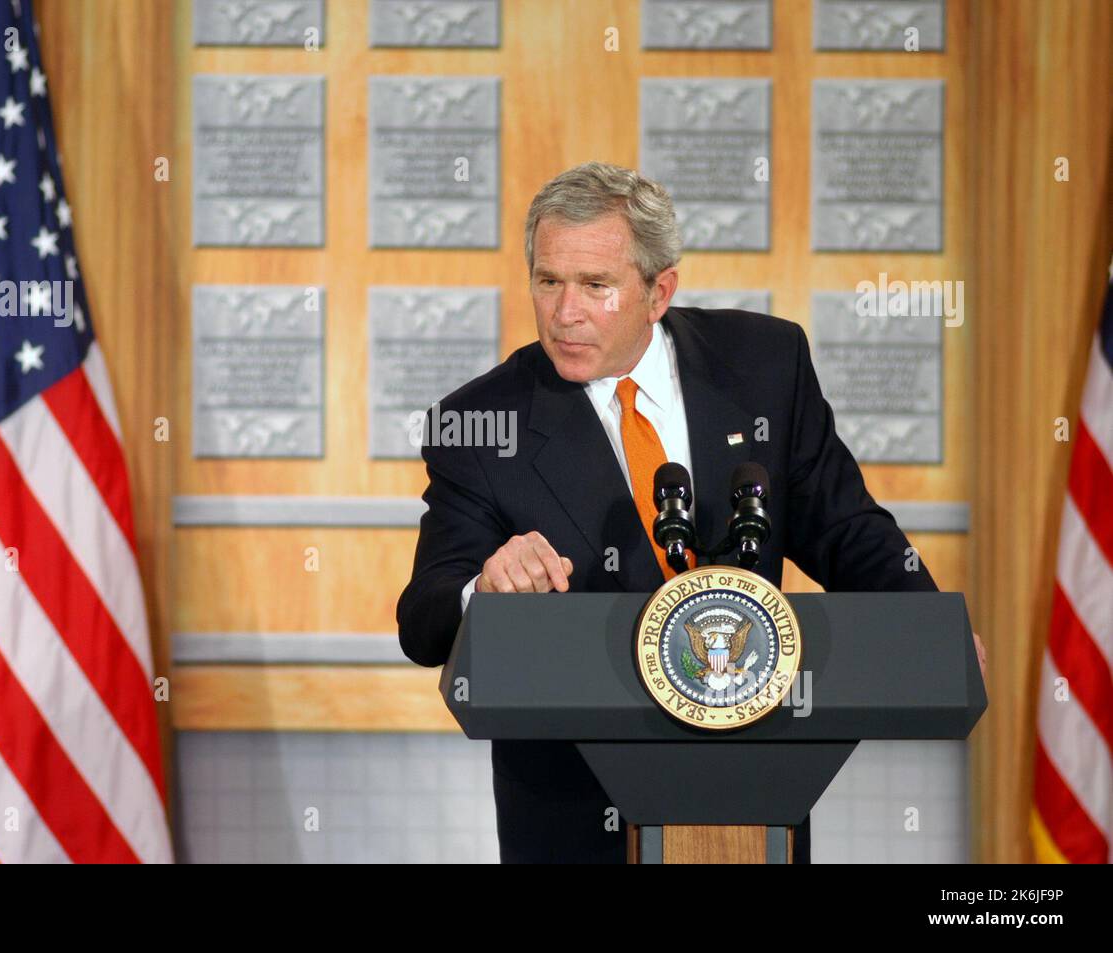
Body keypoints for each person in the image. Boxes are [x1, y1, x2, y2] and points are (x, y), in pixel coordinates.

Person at [396, 161, 984, 863]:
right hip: (574, 819)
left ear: (659, 290)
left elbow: (845, 527)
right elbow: (423, 617)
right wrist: (483, 590)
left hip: (752, 791)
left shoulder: (766, 364)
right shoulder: (483, 420)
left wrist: (929, 630)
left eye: (595, 285)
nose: (564, 311)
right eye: (548, 280)